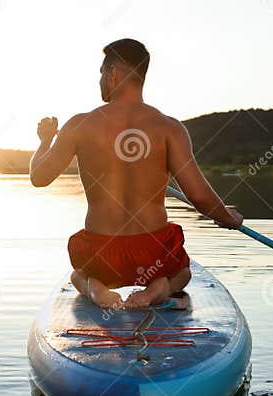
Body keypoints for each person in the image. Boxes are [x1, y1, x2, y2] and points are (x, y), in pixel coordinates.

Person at [29, 38, 243, 309]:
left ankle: (94, 287)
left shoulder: (79, 125)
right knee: (183, 273)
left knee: (77, 274)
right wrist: (228, 217)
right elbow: (199, 196)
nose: (99, 82)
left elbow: (39, 177)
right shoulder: (169, 128)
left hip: (101, 253)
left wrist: (45, 140)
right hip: (152, 252)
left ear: (113, 73)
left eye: (101, 74)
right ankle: (158, 288)